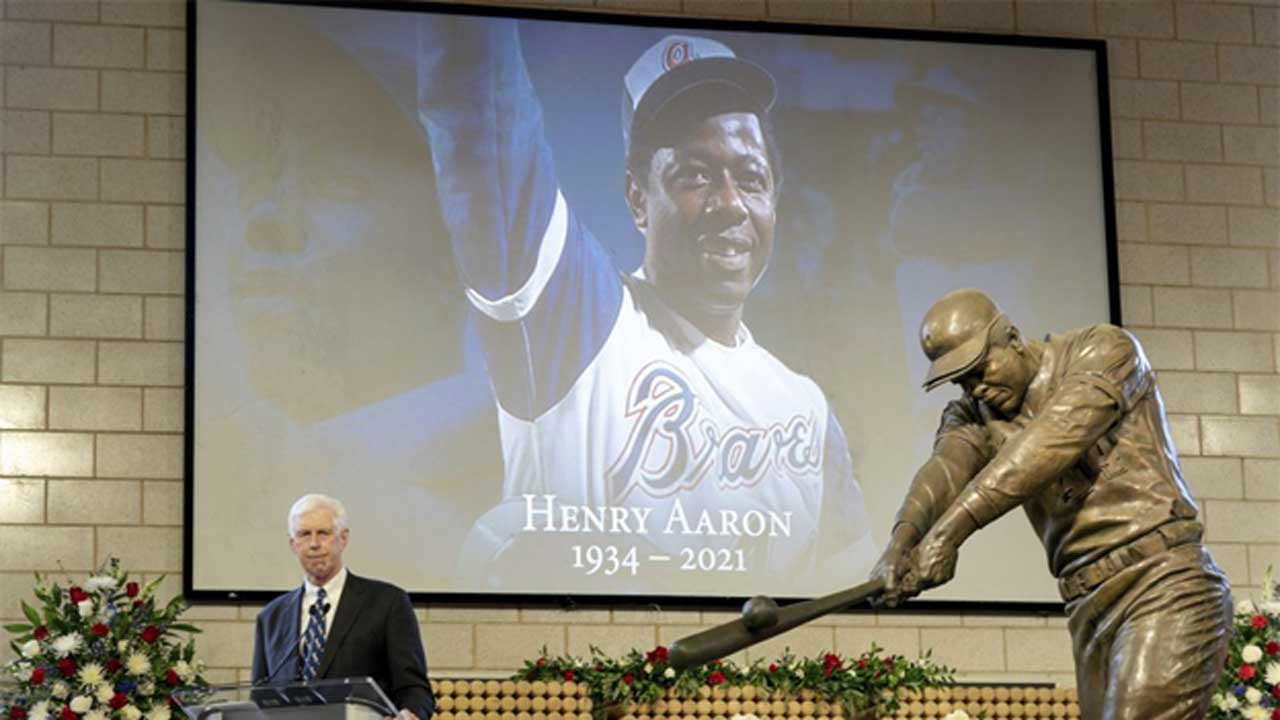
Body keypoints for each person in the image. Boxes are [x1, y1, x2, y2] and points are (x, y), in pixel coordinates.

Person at [417, 19, 875, 593]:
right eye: (695, 176)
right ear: (638, 199)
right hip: (585, 673)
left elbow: (850, 603)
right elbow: (481, 123)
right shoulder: (581, 321)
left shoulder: (806, 410)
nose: (730, 202)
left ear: (774, 203)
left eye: (751, 177)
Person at [871, 289, 1232, 720]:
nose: (977, 388)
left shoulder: (1102, 350)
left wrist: (949, 534)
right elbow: (944, 471)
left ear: (1012, 337)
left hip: (1163, 583)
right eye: (963, 381)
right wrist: (900, 545)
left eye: (981, 368)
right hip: (1089, 607)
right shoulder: (972, 414)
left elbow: (1050, 442)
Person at [251, 494, 434, 720]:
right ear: (292, 544)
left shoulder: (387, 603)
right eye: (304, 534)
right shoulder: (271, 617)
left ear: (343, 539)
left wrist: (409, 714)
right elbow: (258, 699)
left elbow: (413, 689)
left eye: (324, 533)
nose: (314, 544)